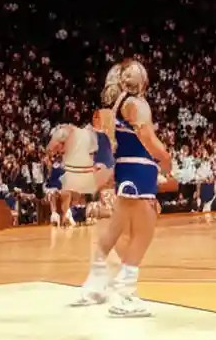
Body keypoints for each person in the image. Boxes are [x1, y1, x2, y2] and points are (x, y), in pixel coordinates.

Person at [70, 60, 171, 317]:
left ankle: (94, 285)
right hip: (139, 170)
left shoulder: (115, 107)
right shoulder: (136, 104)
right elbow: (148, 139)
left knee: (114, 230)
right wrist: (166, 158)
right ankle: (126, 294)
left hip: (126, 168)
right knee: (143, 233)